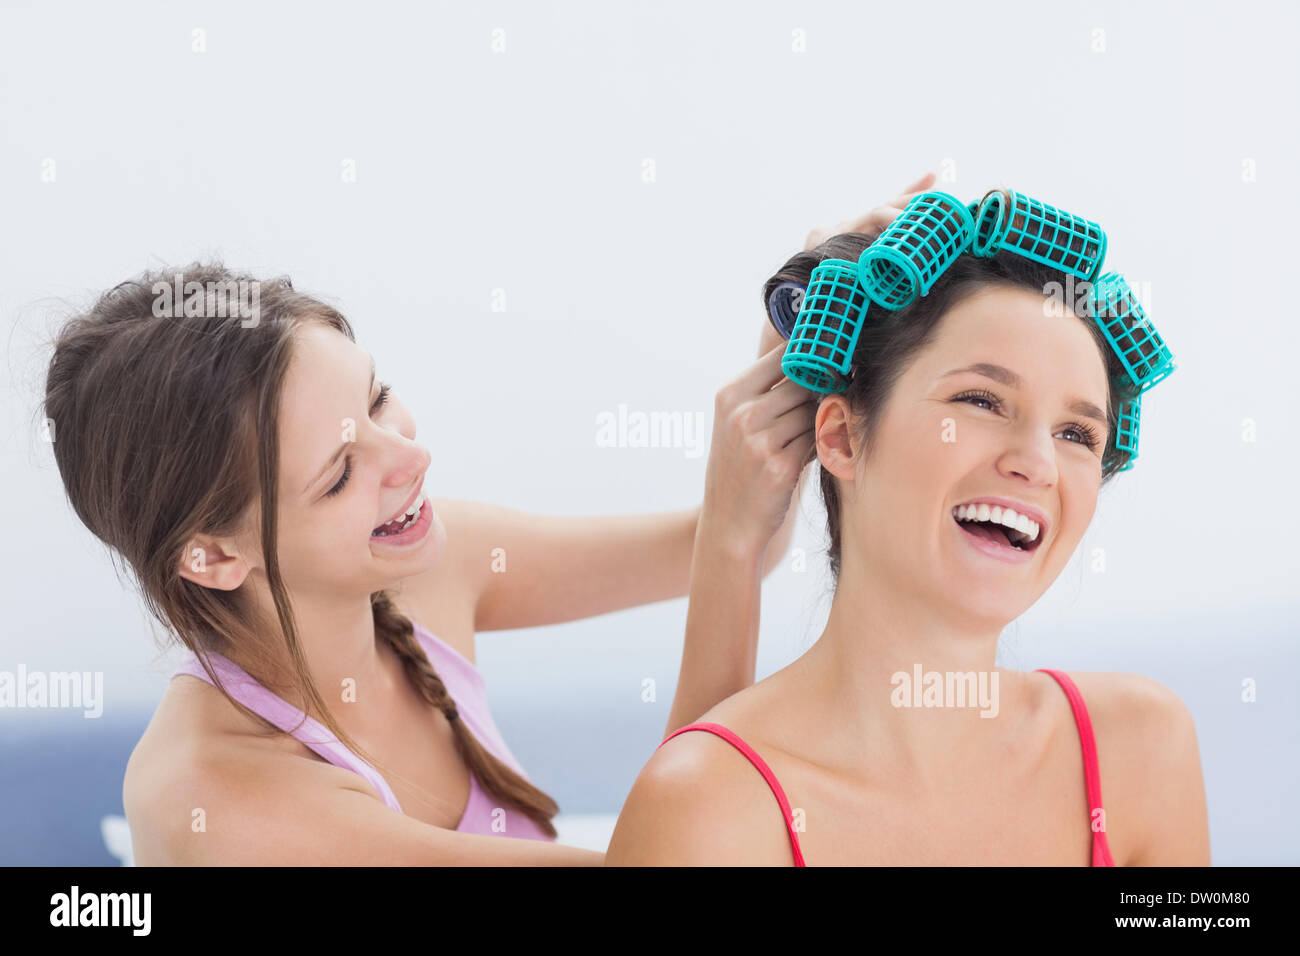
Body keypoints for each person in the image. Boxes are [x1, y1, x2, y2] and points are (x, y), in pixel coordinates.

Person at [36, 171, 932, 865]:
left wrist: (793, 343)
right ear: (212, 556)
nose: (410, 460)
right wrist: (730, 543)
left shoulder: (426, 563)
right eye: (342, 473)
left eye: (379, 399)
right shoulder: (220, 800)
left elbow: (738, 542)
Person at [606, 223, 1212, 866]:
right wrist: (729, 541)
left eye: (1077, 434)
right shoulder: (704, 808)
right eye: (981, 400)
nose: (1039, 463)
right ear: (839, 437)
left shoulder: (1140, 753)